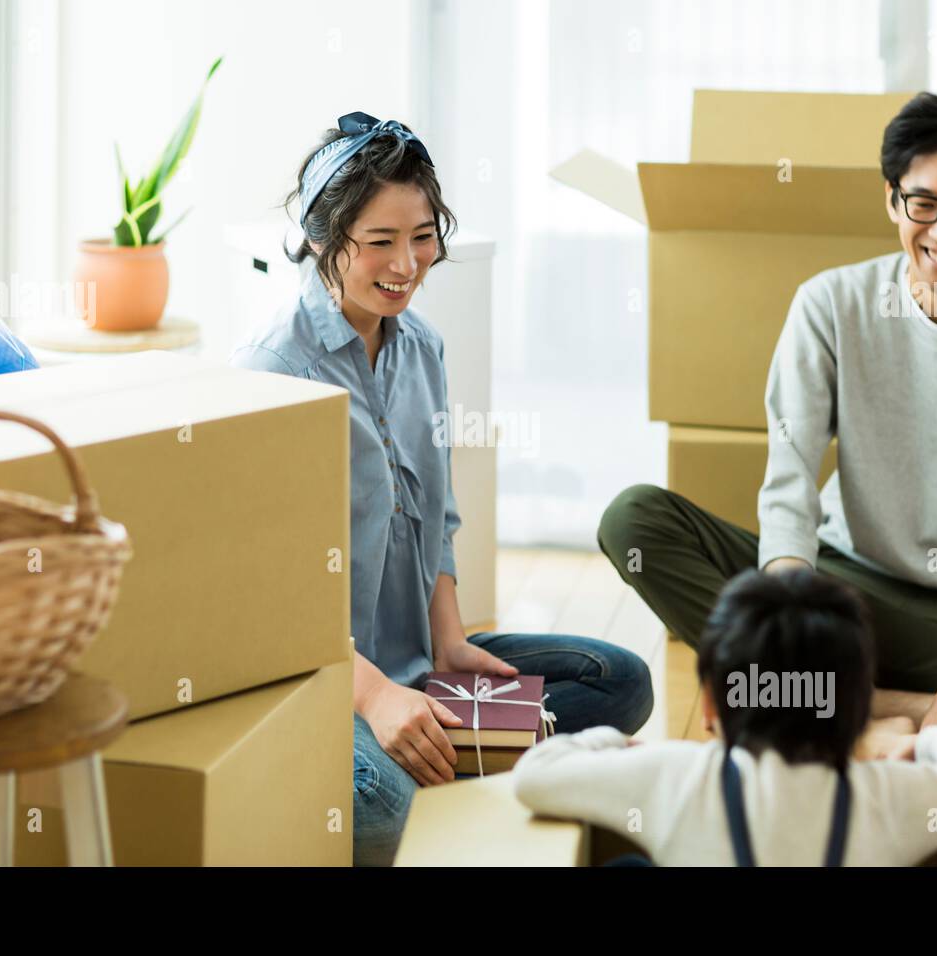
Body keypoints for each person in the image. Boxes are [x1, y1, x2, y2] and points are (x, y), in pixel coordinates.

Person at [598, 92, 937, 776]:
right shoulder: (831, 306)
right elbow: (789, 484)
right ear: (891, 200)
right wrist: (792, 624)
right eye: (923, 203)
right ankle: (865, 699)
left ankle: (824, 704)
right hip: (837, 590)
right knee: (635, 519)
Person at [231, 113, 653, 866]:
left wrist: (451, 645)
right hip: (325, 681)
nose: (407, 264)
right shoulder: (274, 370)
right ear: (325, 238)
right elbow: (267, 590)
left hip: (419, 660)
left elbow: (438, 517)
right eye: (381, 242)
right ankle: (463, 778)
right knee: (376, 810)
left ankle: (453, 773)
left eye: (422, 236)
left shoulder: (421, 346)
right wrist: (374, 698)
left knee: (620, 682)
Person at [514, 569, 937, 866]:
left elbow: (535, 776)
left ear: (711, 706)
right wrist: (928, 744)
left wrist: (620, 745)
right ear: (859, 712)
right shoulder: (893, 796)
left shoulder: (671, 776)